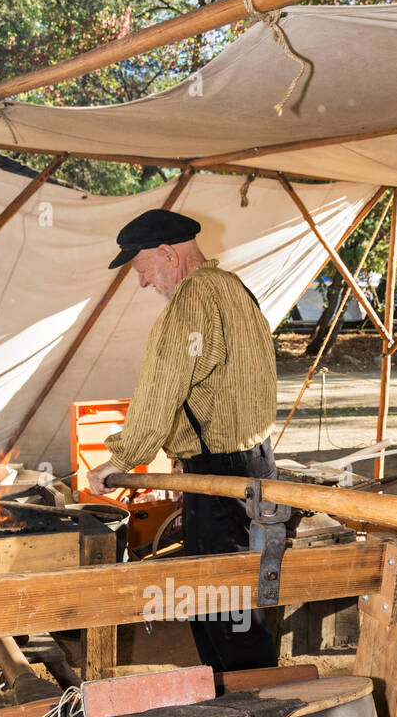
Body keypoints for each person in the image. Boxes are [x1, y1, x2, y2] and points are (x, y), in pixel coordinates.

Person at [88, 207, 279, 673]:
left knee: (220, 598)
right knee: (240, 592)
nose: (142, 283)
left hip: (221, 476)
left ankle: (248, 700)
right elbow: (221, 388)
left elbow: (159, 395)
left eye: (142, 269)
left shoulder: (191, 302)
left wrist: (115, 461)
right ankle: (249, 689)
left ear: (168, 254)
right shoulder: (235, 289)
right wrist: (181, 456)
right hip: (255, 463)